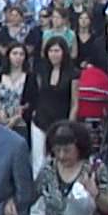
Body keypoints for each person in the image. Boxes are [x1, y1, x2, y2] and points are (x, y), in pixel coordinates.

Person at [31, 38, 80, 175]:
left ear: (64, 52)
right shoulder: (41, 70)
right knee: (38, 160)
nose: (54, 54)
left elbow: (75, 102)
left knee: (58, 158)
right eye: (51, 51)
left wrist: (70, 124)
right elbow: (37, 94)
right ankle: (38, 190)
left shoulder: (73, 73)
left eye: (57, 51)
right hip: (40, 120)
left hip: (61, 122)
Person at [0, 42, 38, 146]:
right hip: (1, 120)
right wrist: (0, 113)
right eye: (15, 53)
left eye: (21, 54)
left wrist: (19, 115)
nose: (18, 57)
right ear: (8, 55)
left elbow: (34, 100)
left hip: (21, 122)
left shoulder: (30, 77)